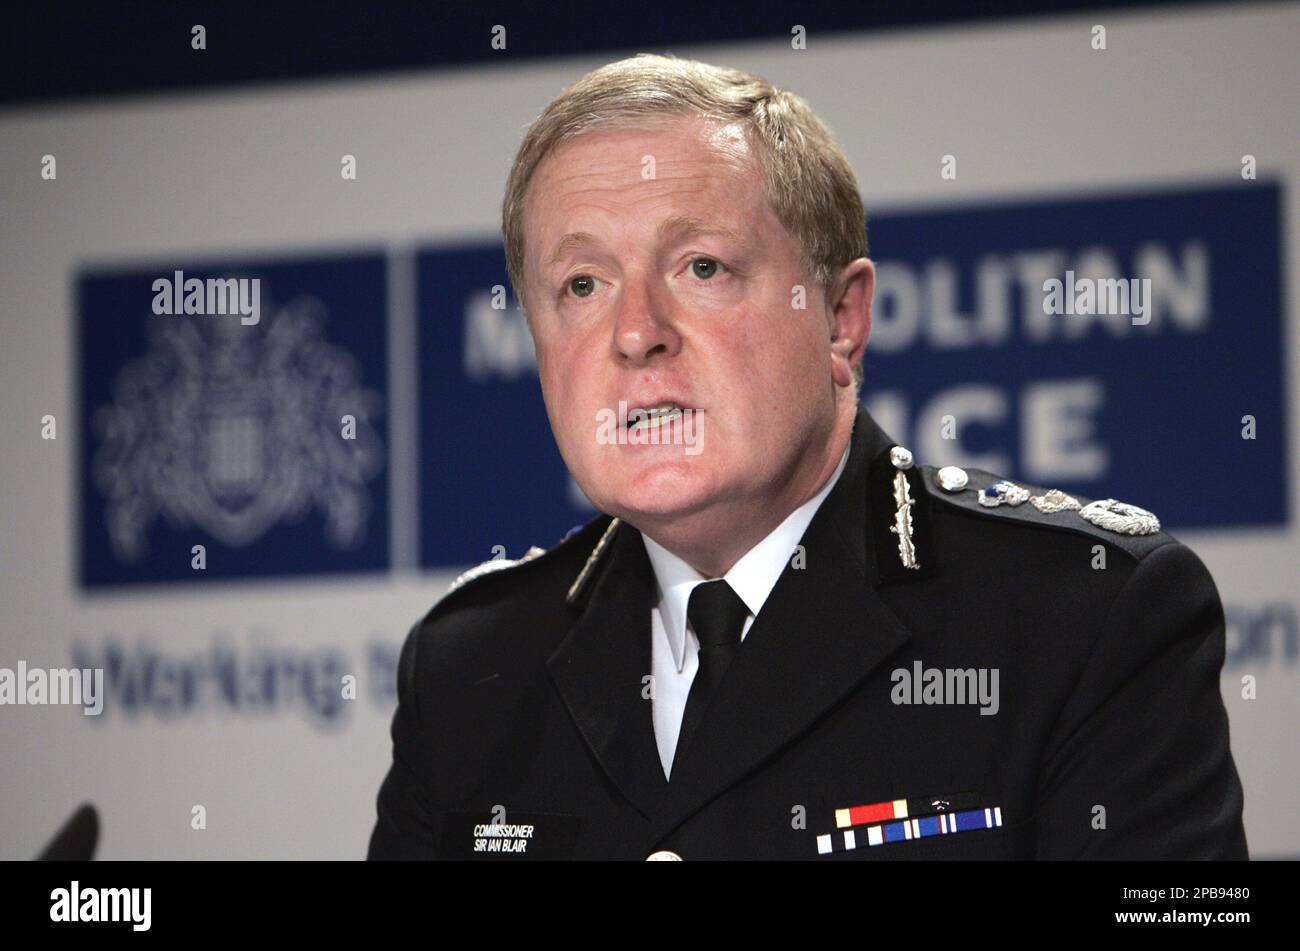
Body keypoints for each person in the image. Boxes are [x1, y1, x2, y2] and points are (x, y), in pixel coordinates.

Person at [366, 53, 1247, 860]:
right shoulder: (467, 670)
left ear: (840, 319)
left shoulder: (1090, 614)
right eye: (582, 285)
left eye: (701, 267)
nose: (635, 334)